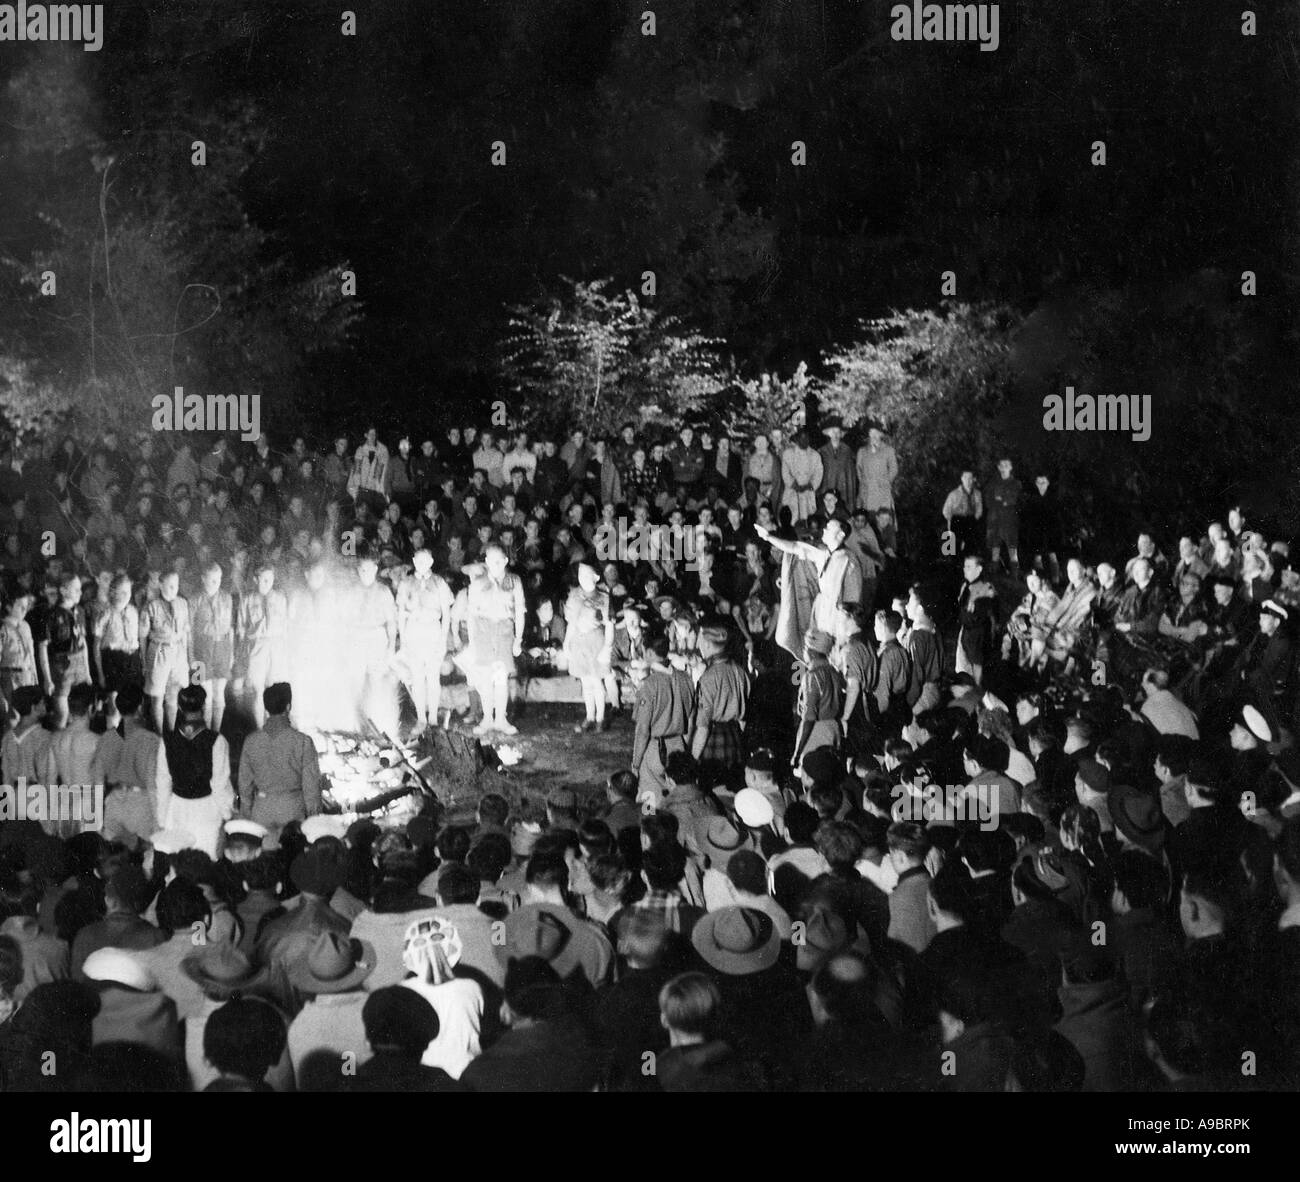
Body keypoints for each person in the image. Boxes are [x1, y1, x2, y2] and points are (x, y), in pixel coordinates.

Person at [154, 685, 235, 859]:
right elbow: (219, 784)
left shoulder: (167, 741)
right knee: (205, 862)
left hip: (176, 810)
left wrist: (162, 818)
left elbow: (162, 783)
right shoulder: (217, 740)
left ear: (180, 708)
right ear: (204, 706)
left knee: (179, 863)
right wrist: (227, 813)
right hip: (207, 810)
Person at [237, 682, 322, 840]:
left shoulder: (251, 741)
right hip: (292, 809)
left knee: (264, 860)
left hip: (262, 808)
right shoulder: (303, 741)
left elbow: (244, 784)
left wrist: (246, 815)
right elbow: (311, 787)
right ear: (288, 707)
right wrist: (314, 819)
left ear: (266, 708)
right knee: (290, 857)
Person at [465, 544, 525, 736]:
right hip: (483, 632)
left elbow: (520, 613)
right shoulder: (476, 583)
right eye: (491, 561)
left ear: (506, 561)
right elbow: (471, 615)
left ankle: (501, 719)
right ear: (486, 562)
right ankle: (487, 719)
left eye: (499, 561)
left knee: (501, 678)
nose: (495, 565)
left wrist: (518, 639)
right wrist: (473, 643)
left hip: (504, 631)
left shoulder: (514, 581)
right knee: (485, 678)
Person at [632, 633, 697, 807]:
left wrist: (636, 763)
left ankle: (652, 829)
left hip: (655, 749)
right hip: (679, 746)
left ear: (650, 653)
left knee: (649, 800)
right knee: (677, 798)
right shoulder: (686, 679)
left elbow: (643, 730)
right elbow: (692, 721)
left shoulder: (649, 685)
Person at [395, 547, 455, 733]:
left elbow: (446, 614)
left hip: (432, 632)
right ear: (413, 562)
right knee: (418, 678)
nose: (422, 564)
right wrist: (403, 639)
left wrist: (443, 640)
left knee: (433, 677)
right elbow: (401, 614)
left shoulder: (439, 582)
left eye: (425, 560)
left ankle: (433, 717)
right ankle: (421, 719)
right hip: (414, 632)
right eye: (418, 561)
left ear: (431, 561)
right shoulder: (406, 583)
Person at [563, 562, 615, 734]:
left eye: (587, 575)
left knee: (596, 681)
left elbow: (609, 625)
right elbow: (571, 622)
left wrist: (607, 648)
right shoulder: (574, 596)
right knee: (585, 682)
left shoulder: (604, 597)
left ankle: (600, 718)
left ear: (596, 577)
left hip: (596, 641)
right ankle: (589, 716)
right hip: (579, 641)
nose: (583, 579)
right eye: (580, 575)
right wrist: (567, 643)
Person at [139, 570, 191, 733]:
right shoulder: (151, 606)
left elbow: (185, 632)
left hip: (177, 651)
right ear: (160, 585)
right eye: (169, 585)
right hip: (159, 651)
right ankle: (160, 734)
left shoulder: (182, 603)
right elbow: (142, 637)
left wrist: (187, 658)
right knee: (157, 696)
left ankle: (171, 730)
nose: (174, 589)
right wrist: (145, 661)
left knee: (173, 695)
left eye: (176, 585)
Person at [38, 572, 91, 729]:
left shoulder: (80, 611)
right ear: (63, 590)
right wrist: (48, 679)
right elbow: (43, 648)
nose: (80, 593)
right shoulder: (51, 615)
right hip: (61, 668)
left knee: (81, 713)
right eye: (76, 589)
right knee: (62, 714)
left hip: (80, 665)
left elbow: (83, 643)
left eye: (80, 589)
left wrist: (87, 671)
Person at [189, 563, 234, 734]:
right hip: (202, 649)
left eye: (218, 579)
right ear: (203, 579)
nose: (215, 583)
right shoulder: (194, 599)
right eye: (211, 580)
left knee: (219, 694)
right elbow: (190, 631)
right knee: (202, 695)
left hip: (222, 648)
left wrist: (231, 654)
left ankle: (215, 733)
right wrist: (191, 656)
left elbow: (230, 629)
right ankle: (203, 733)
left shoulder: (227, 598)